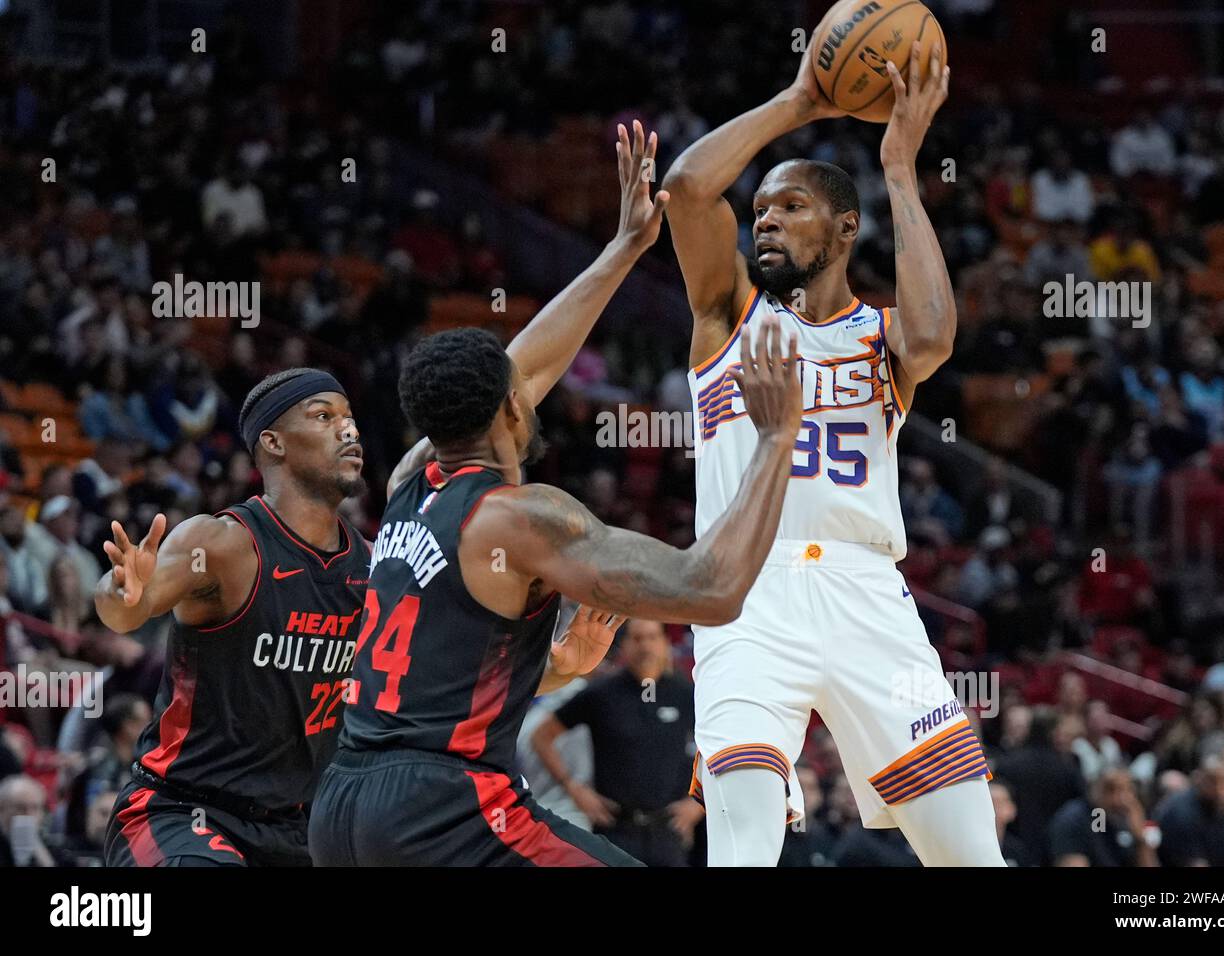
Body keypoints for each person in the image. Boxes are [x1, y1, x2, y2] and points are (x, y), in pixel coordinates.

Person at [309, 116, 806, 869]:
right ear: (512, 410)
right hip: (444, 808)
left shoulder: (414, 477)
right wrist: (774, 441)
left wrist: (623, 248)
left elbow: (524, 367)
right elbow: (713, 589)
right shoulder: (522, 516)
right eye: (522, 393)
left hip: (344, 805)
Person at [660, 16, 1001, 866]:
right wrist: (800, 98)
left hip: (864, 594)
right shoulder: (726, 318)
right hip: (745, 588)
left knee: (971, 856)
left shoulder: (882, 339)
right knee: (744, 849)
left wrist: (897, 167)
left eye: (792, 206)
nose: (766, 221)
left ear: (846, 229)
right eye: (764, 209)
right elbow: (691, 189)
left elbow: (933, 341)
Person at [96, 366, 375, 867]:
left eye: (350, 418)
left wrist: (546, 666)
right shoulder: (222, 544)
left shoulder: (373, 569)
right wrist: (124, 590)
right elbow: (125, 610)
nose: (348, 430)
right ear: (273, 442)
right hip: (182, 812)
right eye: (324, 416)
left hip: (301, 831)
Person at [530, 619, 701, 866]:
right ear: (624, 645)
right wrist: (575, 788)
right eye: (637, 638)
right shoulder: (601, 693)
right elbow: (542, 736)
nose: (646, 646)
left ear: (665, 643)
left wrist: (698, 803)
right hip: (615, 828)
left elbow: (715, 748)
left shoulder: (685, 693)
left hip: (669, 830)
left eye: (652, 637)